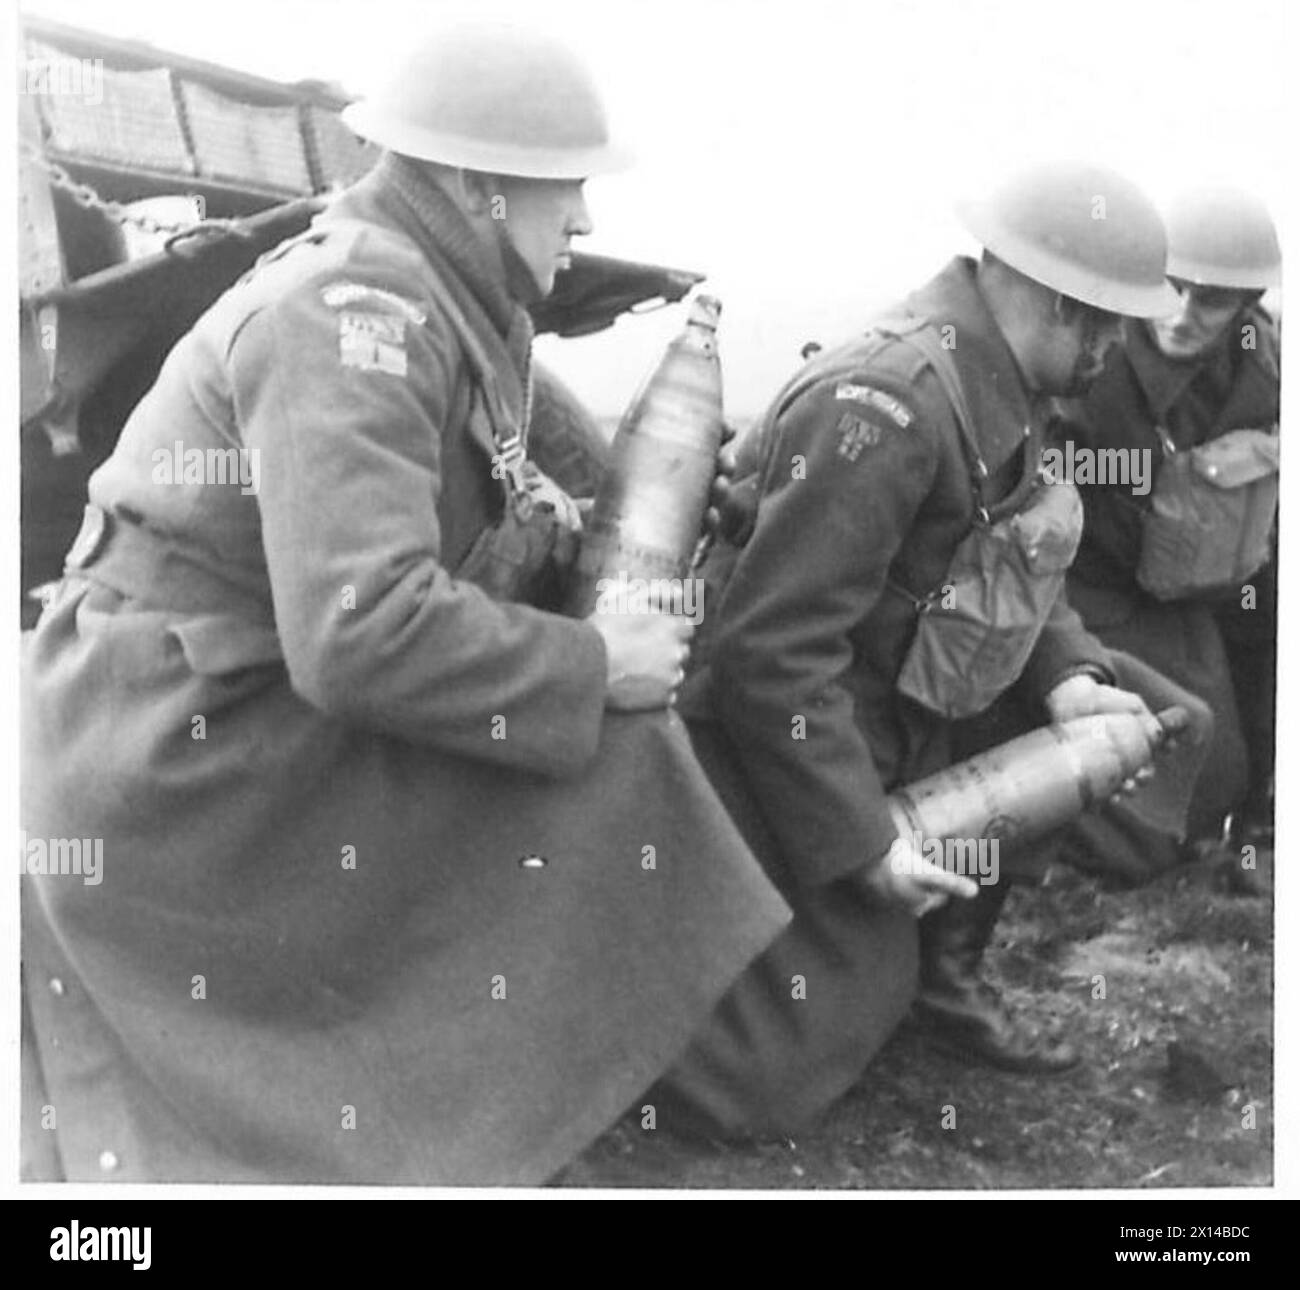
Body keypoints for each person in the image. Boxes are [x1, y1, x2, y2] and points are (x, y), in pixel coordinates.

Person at [19, 21, 789, 1184]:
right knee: (611, 748)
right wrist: (591, 666)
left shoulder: (434, 294)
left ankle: (519, 1087)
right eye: (564, 186)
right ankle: (496, 1100)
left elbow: (453, 525)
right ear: (478, 187)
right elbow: (361, 632)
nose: (584, 218)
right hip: (174, 748)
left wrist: (610, 531)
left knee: (581, 731)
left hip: (228, 692)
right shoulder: (350, 311)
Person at [656, 163, 1199, 1137]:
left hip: (896, 701)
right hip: (767, 736)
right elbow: (767, 654)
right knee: (766, 1078)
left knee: (1136, 727)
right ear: (1048, 298)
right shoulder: (889, 404)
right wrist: (862, 847)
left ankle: (942, 970)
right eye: (1106, 323)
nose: (1117, 347)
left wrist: (1069, 680)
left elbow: (1010, 564)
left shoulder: (1010, 383)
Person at [1049, 187, 1280, 889]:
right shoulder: (1090, 357)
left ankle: (1261, 823)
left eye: (1211, 300)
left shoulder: (1265, 363)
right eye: (1172, 288)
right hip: (1088, 592)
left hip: (1198, 587)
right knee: (1164, 801)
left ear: (1244, 304)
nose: (1182, 315)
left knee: (1222, 767)